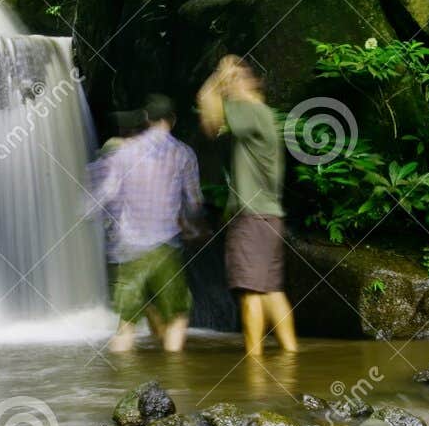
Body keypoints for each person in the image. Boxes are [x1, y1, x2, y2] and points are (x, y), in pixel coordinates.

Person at [197, 55, 298, 357]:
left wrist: (219, 76)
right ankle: (291, 355)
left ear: (250, 83)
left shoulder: (251, 112)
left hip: (252, 218)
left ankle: (254, 363)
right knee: (272, 291)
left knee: (250, 292)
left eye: (235, 80)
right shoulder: (263, 115)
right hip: (269, 217)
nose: (229, 87)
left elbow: (209, 115)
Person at [89, 94, 202, 352]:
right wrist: (192, 226)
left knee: (126, 325)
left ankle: (119, 373)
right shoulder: (183, 153)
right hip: (165, 247)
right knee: (177, 317)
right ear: (172, 120)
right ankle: (173, 369)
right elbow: (194, 203)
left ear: (147, 119)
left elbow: (106, 194)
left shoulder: (124, 152)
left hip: (129, 248)